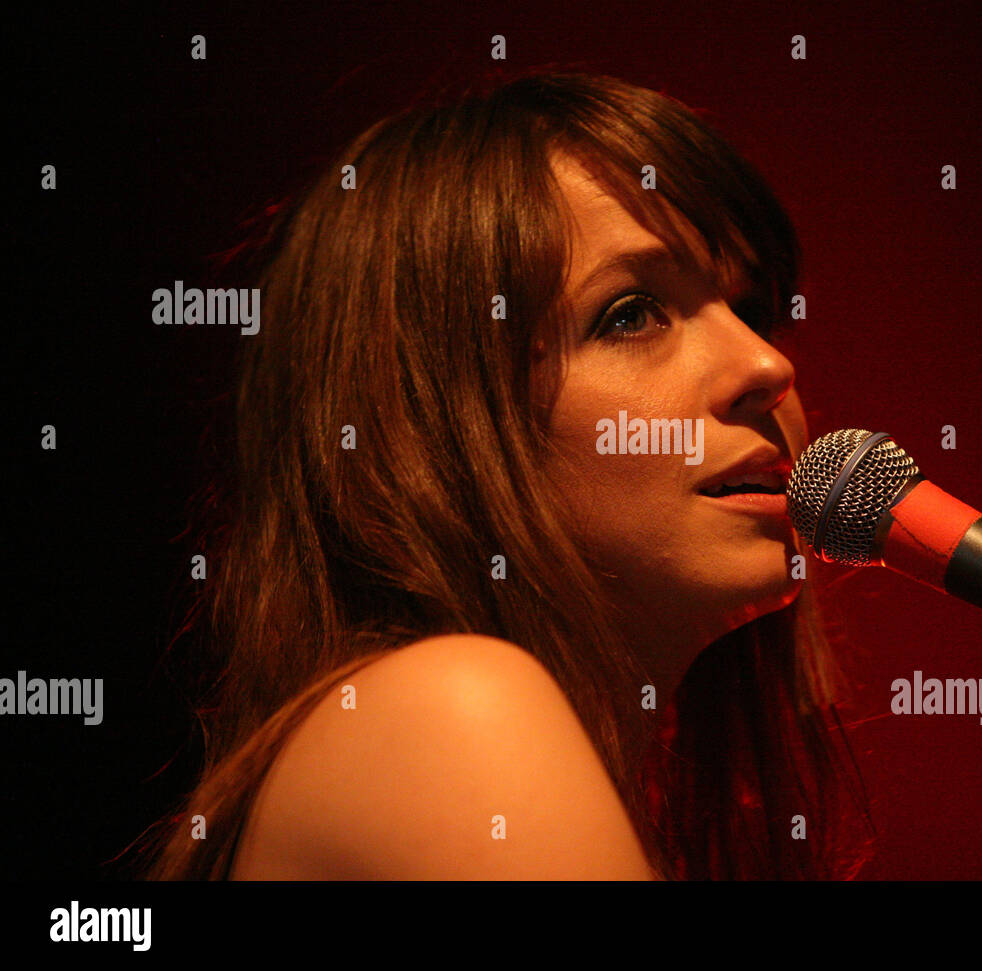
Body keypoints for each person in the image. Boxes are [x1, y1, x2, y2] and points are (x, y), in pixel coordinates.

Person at [142, 70, 873, 880]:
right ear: (427, 428)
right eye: (629, 313)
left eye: (753, 306)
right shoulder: (447, 709)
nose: (768, 364)